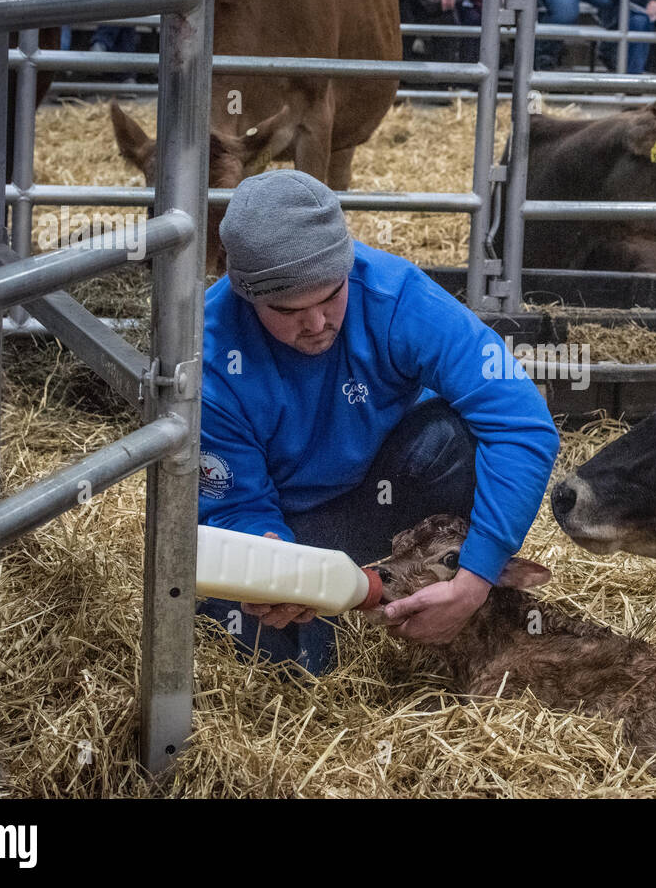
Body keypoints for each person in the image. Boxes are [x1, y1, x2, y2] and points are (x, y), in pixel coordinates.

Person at [196, 170, 561, 675]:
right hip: (286, 522)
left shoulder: (395, 295)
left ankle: (416, 584)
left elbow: (521, 422)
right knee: (291, 668)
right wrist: (278, 574)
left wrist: (475, 578)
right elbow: (237, 506)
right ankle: (354, 604)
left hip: (384, 503)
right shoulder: (212, 353)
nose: (319, 324)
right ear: (247, 294)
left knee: (452, 441)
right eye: (289, 310)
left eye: (331, 295)